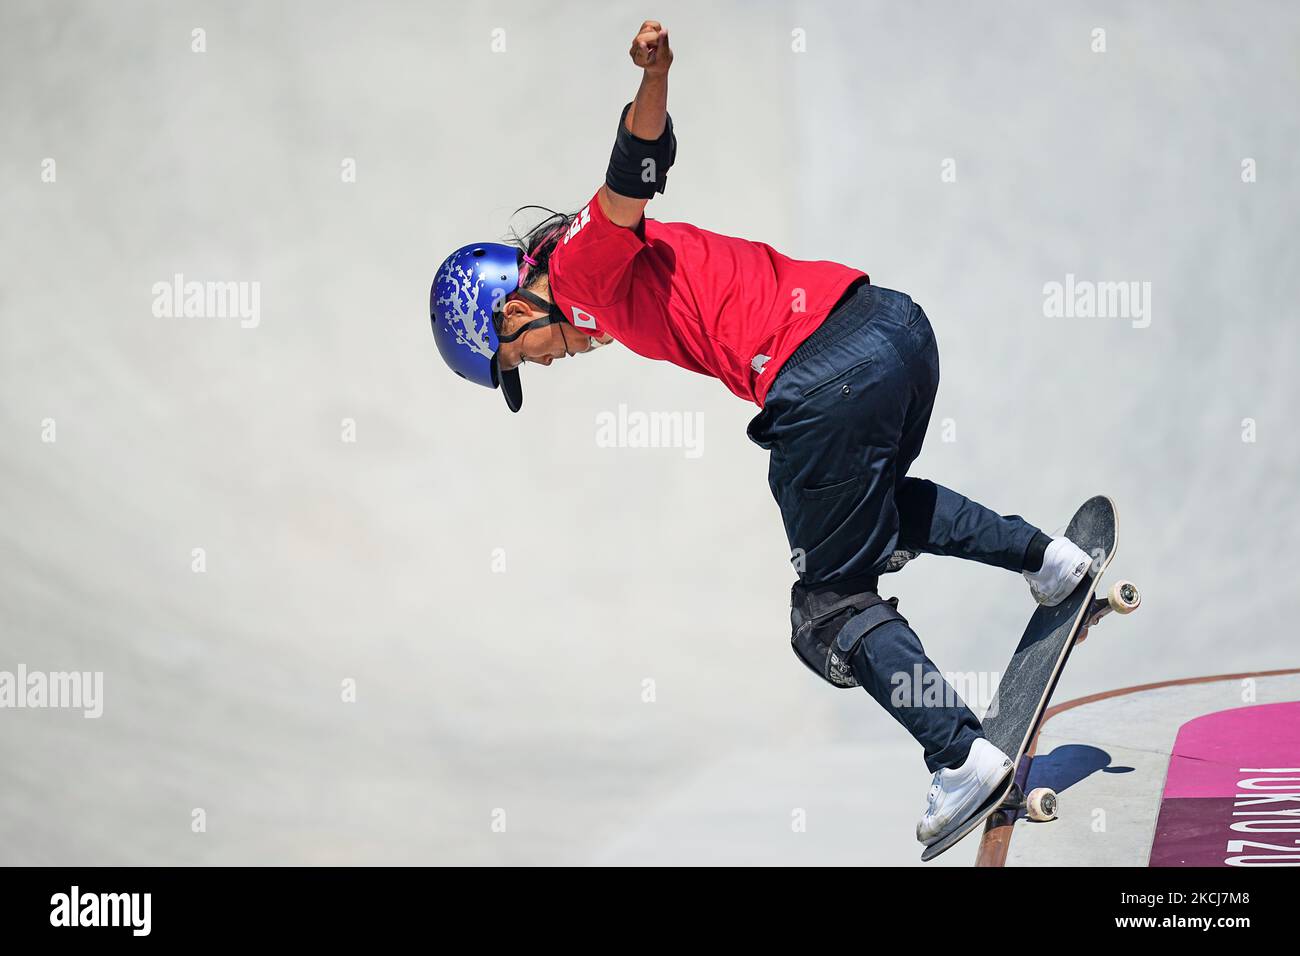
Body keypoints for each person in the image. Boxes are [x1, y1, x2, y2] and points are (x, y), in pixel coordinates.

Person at [428, 20, 1091, 845]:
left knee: (826, 607)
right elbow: (649, 181)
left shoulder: (575, 268)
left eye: (519, 355)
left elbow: (633, 172)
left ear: (509, 305)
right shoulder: (601, 277)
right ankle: (1051, 561)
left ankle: (960, 757)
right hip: (894, 328)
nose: (543, 363)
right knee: (873, 514)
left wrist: (657, 75)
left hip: (820, 386)